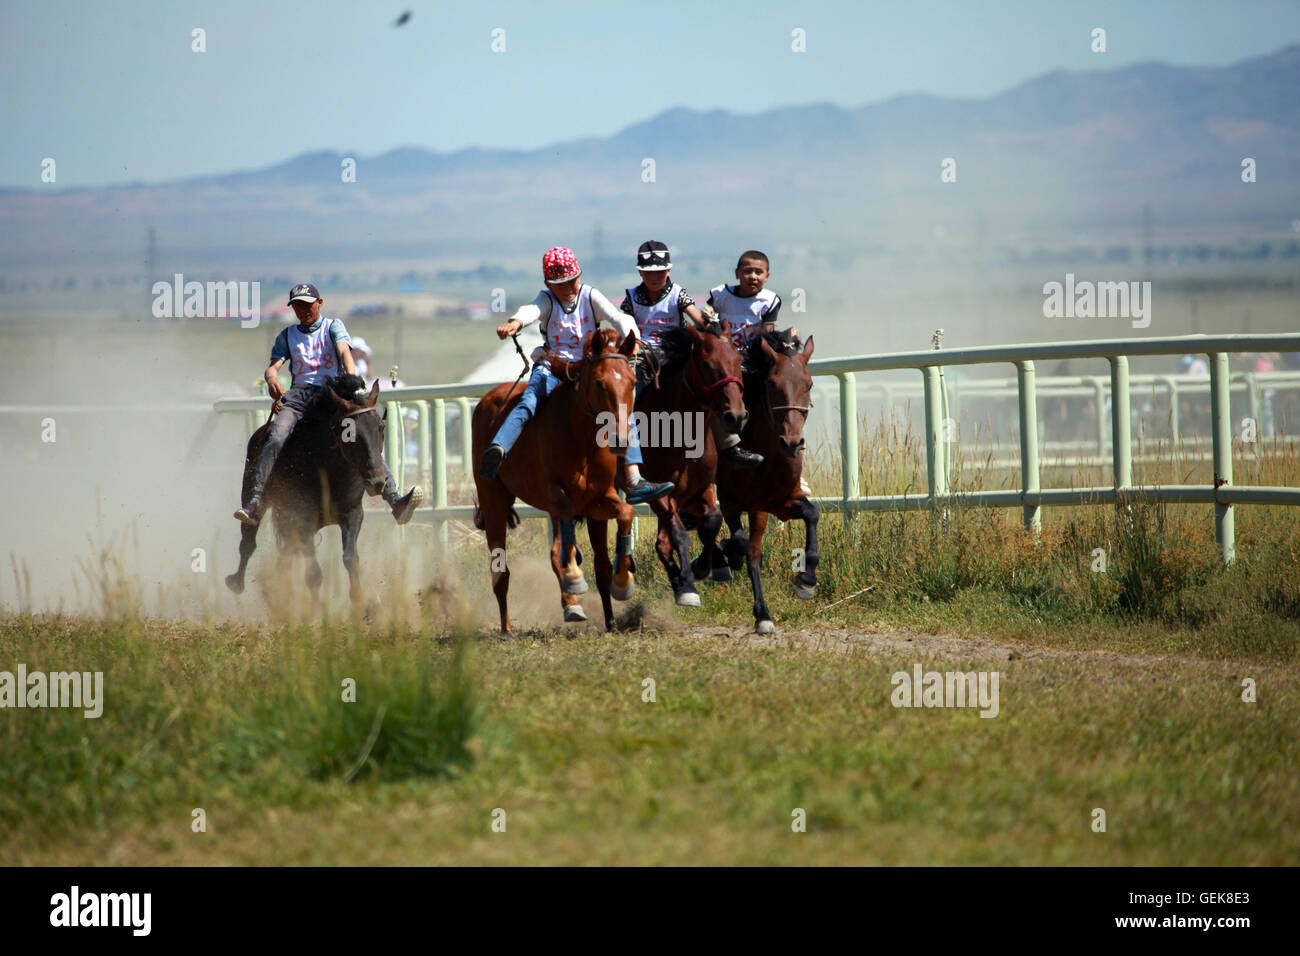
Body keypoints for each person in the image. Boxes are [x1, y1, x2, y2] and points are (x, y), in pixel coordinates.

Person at [478, 247, 674, 505]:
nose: (569, 287)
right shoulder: (547, 299)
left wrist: (632, 338)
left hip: (587, 370)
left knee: (620, 409)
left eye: (573, 280)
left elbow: (618, 316)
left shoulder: (590, 296)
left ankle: (633, 477)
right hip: (552, 367)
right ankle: (500, 449)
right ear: (549, 284)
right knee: (529, 402)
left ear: (579, 276)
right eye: (561, 284)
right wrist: (516, 322)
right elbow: (532, 310)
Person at [234, 283, 422, 526]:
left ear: (319, 303)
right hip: (298, 399)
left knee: (361, 435)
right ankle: (256, 500)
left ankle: (395, 499)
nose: (303, 310)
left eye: (308, 304)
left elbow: (344, 353)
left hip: (332, 398)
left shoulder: (333, 327)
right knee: (277, 436)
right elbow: (273, 367)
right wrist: (271, 380)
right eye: (298, 306)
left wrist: (352, 380)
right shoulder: (287, 336)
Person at [620, 240, 761, 468]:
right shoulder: (632, 296)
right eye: (648, 272)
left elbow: (696, 317)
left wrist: (710, 324)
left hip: (674, 355)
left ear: (668, 270)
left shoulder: (677, 293)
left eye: (659, 272)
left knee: (710, 386)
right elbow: (623, 324)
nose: (654, 277)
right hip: (642, 356)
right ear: (640, 272)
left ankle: (731, 445)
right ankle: (622, 441)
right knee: (626, 394)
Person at [707, 250, 782, 352]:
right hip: (722, 353)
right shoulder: (720, 295)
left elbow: (767, 335)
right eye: (747, 271)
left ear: (767, 277)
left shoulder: (770, 301)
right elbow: (707, 323)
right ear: (737, 273)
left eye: (758, 272)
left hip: (753, 356)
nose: (753, 277)